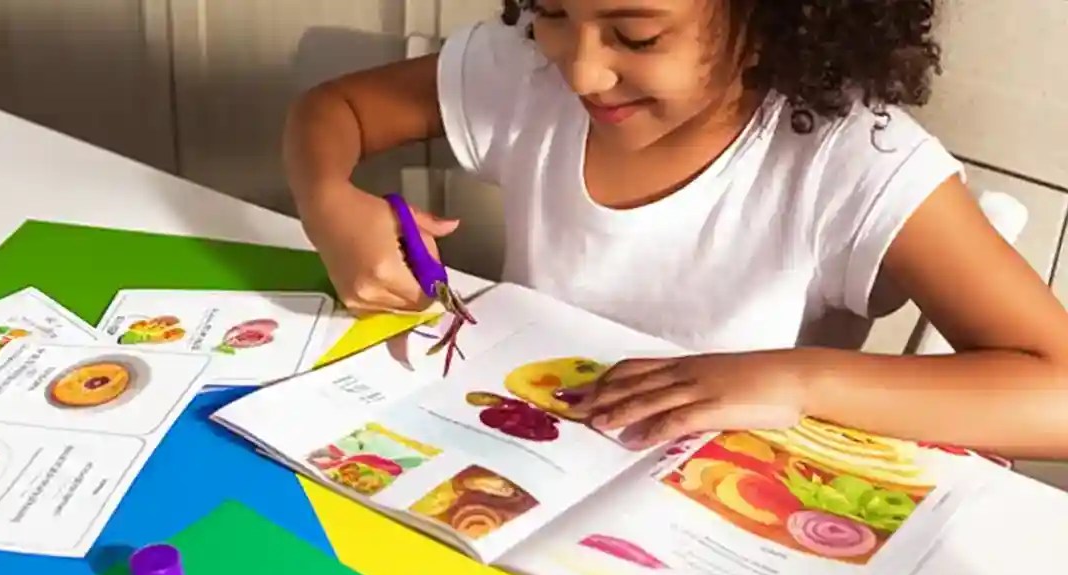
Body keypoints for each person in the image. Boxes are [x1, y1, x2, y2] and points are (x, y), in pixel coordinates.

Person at [282, 0, 1068, 459]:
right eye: (554, 12)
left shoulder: (848, 162)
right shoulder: (528, 74)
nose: (581, 71)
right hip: (512, 451)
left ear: (768, 20)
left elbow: (1058, 391)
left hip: (720, 543)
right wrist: (328, 201)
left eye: (639, 37)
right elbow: (333, 109)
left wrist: (799, 379)